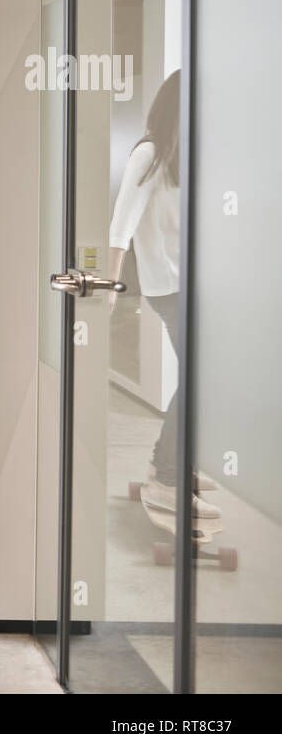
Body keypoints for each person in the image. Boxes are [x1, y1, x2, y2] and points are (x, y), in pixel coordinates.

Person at [108, 69, 220, 517]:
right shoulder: (149, 153)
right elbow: (122, 225)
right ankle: (165, 478)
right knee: (199, 380)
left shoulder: (184, 154)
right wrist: (111, 286)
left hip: (195, 283)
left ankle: (177, 464)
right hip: (167, 286)